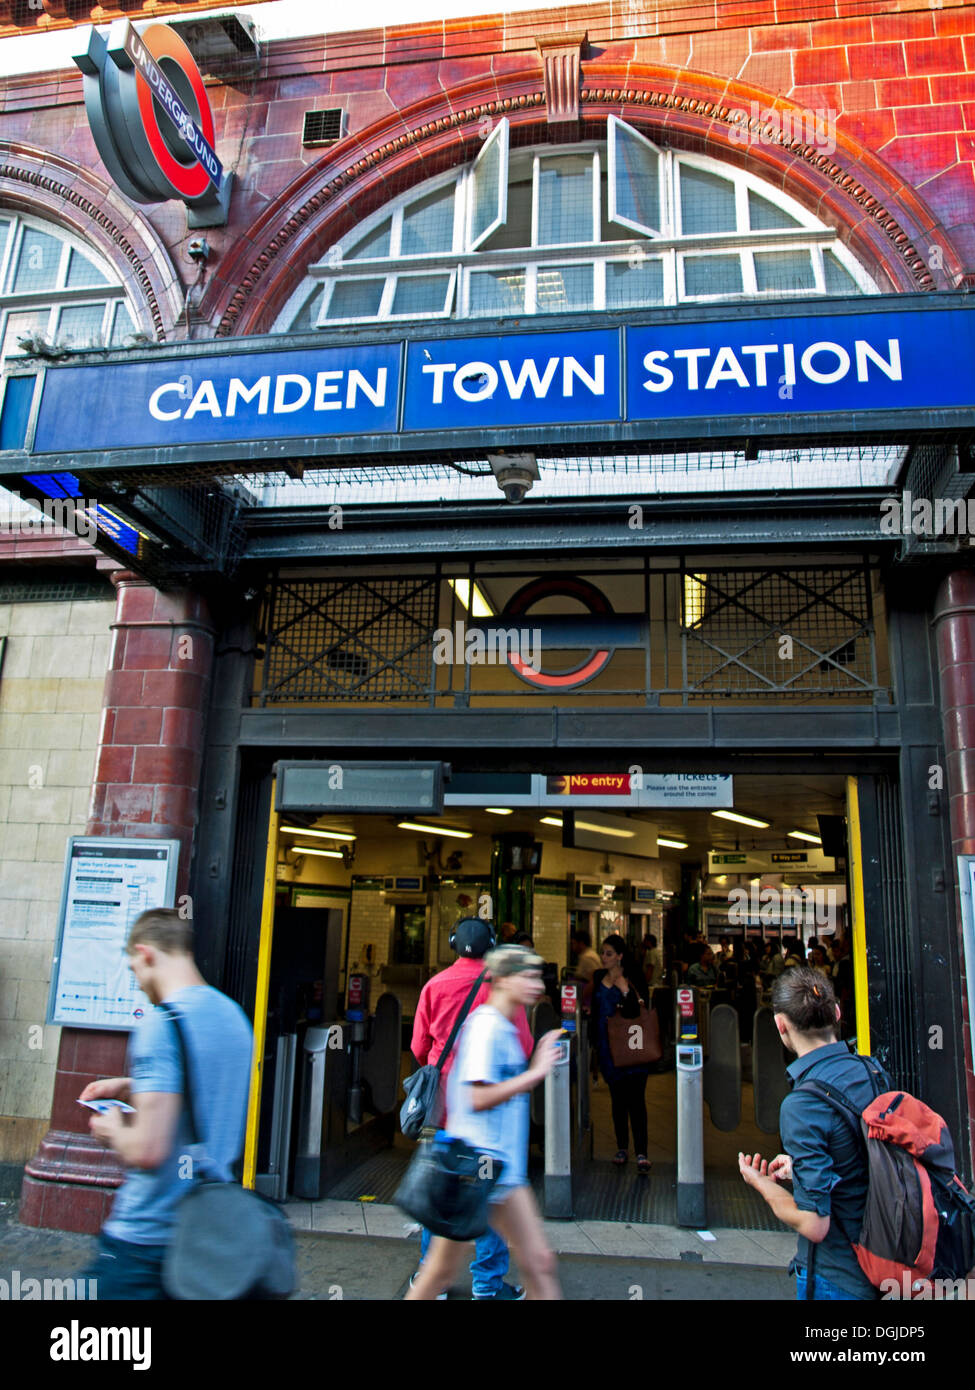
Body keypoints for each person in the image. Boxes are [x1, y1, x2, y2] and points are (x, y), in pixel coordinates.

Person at [78, 908, 252, 1300]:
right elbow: (200, 1097)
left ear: (147, 954)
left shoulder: (161, 1024)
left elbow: (149, 1149)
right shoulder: (234, 1018)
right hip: (209, 1241)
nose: (137, 983)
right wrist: (130, 1088)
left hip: (148, 1240)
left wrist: (114, 1130)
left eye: (133, 968)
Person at [406, 946, 563, 1301]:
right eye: (528, 976)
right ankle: (486, 1285)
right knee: (439, 1273)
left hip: (500, 1170)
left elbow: (420, 1045)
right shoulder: (485, 1027)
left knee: (539, 1262)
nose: (536, 985)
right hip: (477, 1169)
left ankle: (487, 1284)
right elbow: (477, 1097)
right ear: (504, 979)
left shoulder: (505, 1025)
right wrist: (535, 1072)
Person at [738, 966, 890, 1301]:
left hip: (837, 1275)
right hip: (887, 1264)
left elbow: (813, 1224)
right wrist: (802, 1167)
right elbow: (864, 1157)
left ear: (781, 1026)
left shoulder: (802, 1105)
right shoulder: (872, 1070)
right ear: (837, 1013)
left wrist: (761, 1184)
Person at [589, 933, 652, 1173]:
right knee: (617, 1100)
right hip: (608, 1049)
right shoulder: (598, 977)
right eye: (603, 953)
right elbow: (595, 1009)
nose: (604, 958)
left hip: (633, 1048)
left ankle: (642, 1151)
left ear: (620, 956)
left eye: (608, 954)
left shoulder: (632, 978)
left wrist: (625, 989)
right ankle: (622, 1147)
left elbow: (638, 1010)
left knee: (636, 1100)